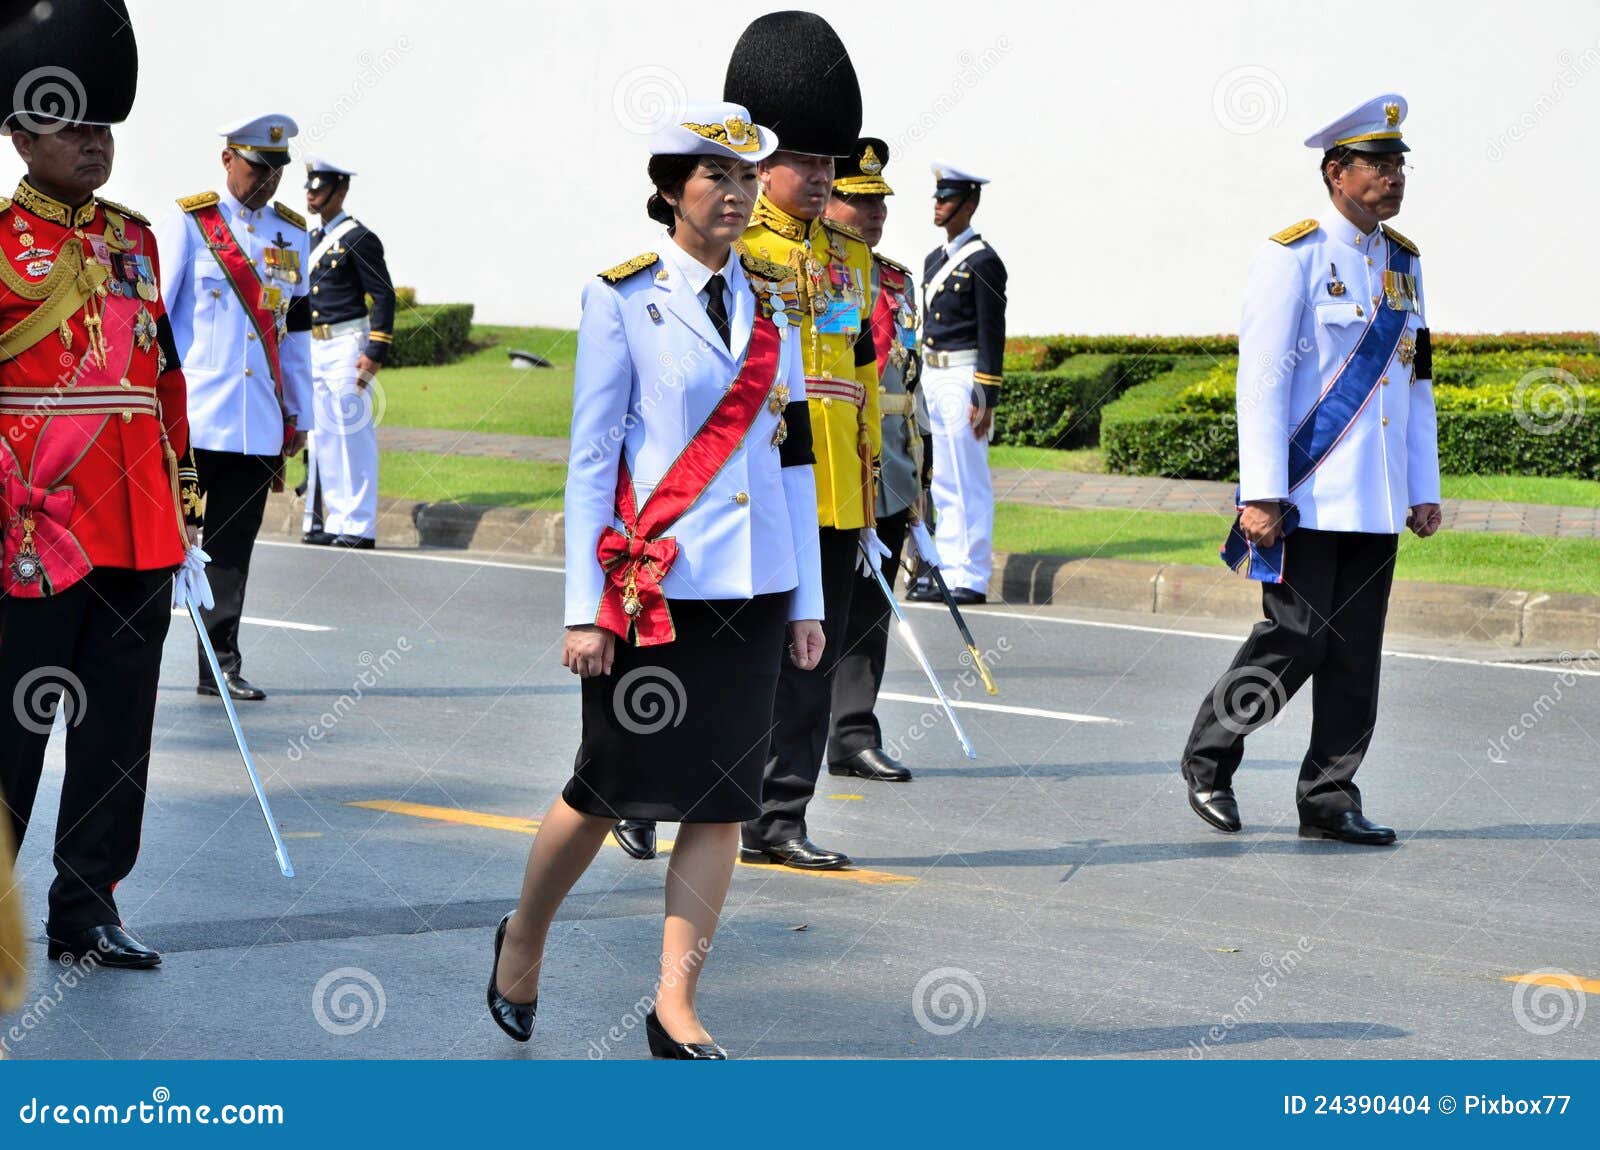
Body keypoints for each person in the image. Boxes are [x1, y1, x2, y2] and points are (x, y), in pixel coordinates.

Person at [487, 102, 824, 1057]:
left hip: (753, 587)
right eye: (716, 177)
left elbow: (791, 458)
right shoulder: (622, 296)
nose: (737, 193)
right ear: (672, 191)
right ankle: (524, 938)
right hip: (653, 590)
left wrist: (806, 600)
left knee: (724, 796)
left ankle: (673, 1005)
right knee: (608, 784)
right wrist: (583, 611)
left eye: (749, 177)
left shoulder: (771, 300)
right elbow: (593, 459)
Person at [612, 11, 883, 871]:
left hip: (828, 490)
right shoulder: (731, 247)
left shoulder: (852, 258)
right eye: (804, 160)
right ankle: (639, 789)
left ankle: (780, 814)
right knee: (700, 660)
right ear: (762, 162)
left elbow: (861, 379)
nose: (819, 176)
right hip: (726, 484)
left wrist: (875, 492)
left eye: (829, 162)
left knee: (808, 662)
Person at [0, 0, 205, 969]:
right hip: (34, 533)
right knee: (12, 730)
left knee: (118, 733)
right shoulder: (1, 247)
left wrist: (185, 500)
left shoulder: (135, 241)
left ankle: (87, 906)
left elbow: (162, 376)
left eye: (102, 124)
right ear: (18, 134)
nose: (92, 141)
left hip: (137, 529)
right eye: (70, 123)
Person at [1180, 94, 1440, 846]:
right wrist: (1260, 493)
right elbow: (1257, 381)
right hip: (1305, 492)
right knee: (1294, 639)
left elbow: (1416, 383)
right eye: (1378, 164)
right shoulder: (1290, 256)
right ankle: (1209, 758)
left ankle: (1329, 797)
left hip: (1376, 496)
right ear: (1336, 171)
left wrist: (1422, 489)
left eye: (1398, 165)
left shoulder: (1404, 264)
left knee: (1357, 654)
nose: (1393, 177)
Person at [156, 114, 313, 701]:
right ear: (228, 161)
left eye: (276, 171)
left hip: (256, 421)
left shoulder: (291, 235)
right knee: (173, 540)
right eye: (257, 167)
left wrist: (297, 414)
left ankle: (219, 665)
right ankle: (133, 656)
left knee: (232, 550)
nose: (267, 181)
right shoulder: (190, 222)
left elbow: (294, 332)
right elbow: (160, 320)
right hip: (194, 418)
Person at [824, 137, 920, 783]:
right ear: (829, 201)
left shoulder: (895, 280)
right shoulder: (803, 272)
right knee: (812, 611)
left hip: (887, 466)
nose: (873, 213)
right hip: (829, 463)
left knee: (869, 610)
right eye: (859, 202)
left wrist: (918, 479)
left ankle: (852, 733)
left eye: (878, 202)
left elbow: (907, 388)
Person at [905, 162, 1006, 606]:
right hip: (933, 372)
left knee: (969, 479)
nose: (938, 205)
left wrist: (985, 394)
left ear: (969, 203)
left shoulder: (984, 261)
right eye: (937, 197)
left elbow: (992, 332)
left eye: (946, 198)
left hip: (965, 375)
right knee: (941, 478)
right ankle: (946, 566)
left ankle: (974, 573)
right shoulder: (933, 260)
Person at [300, 155, 395, 550]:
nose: (311, 195)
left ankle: (358, 524)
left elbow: (383, 295)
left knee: (350, 433)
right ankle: (332, 519)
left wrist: (375, 349)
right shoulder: (310, 240)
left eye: (320, 189)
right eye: (309, 188)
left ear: (340, 192)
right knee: (323, 436)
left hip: (346, 343)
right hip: (316, 345)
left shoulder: (358, 238)